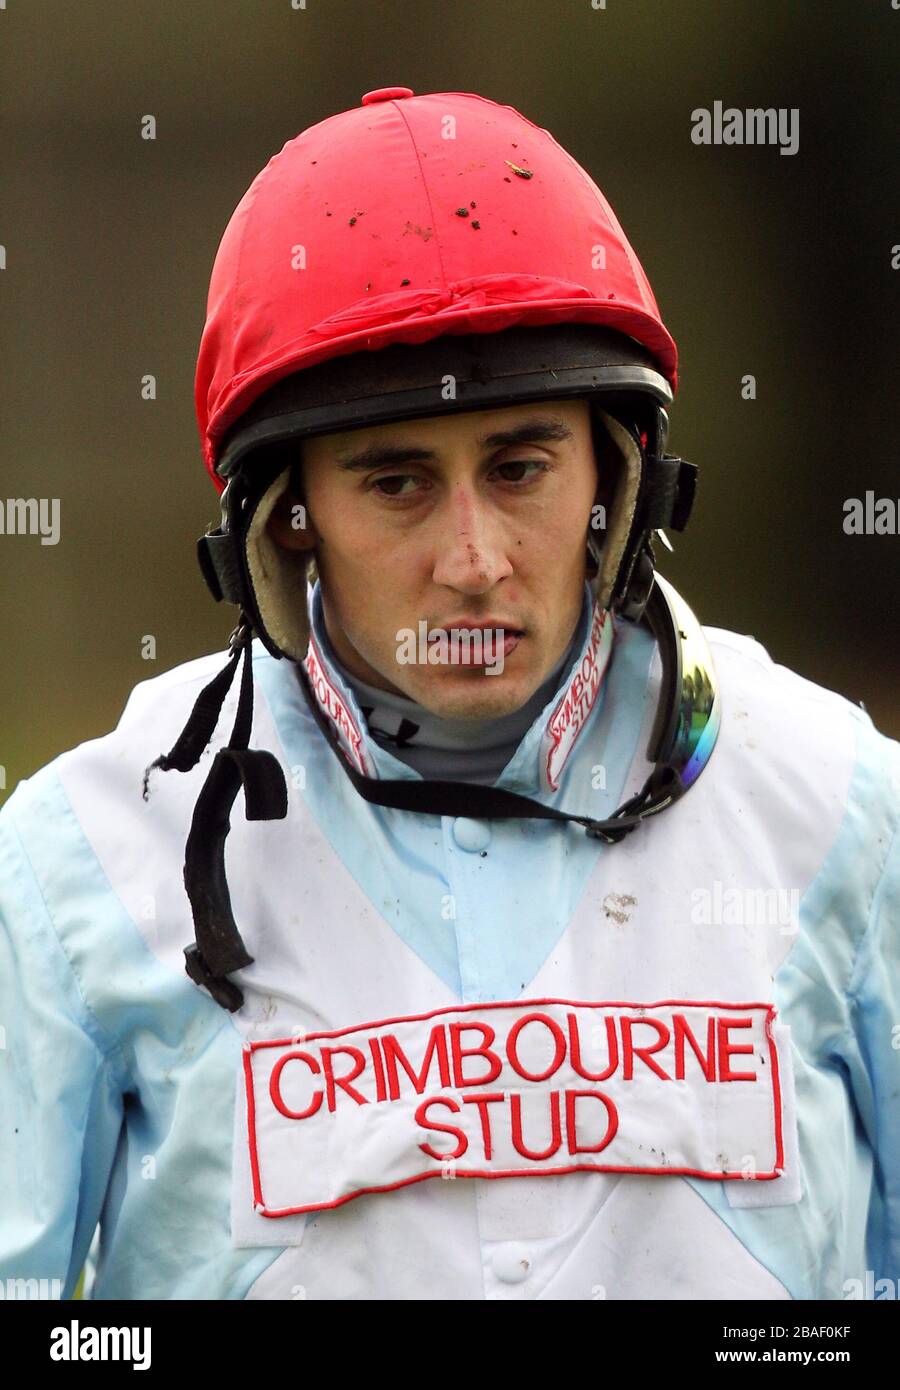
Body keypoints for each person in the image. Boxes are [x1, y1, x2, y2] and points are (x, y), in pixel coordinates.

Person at [1, 87, 897, 1303]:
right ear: (287, 521)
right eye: (397, 483)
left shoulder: (843, 807)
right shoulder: (80, 868)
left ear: (616, 480)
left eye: (522, 466)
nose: (473, 560)